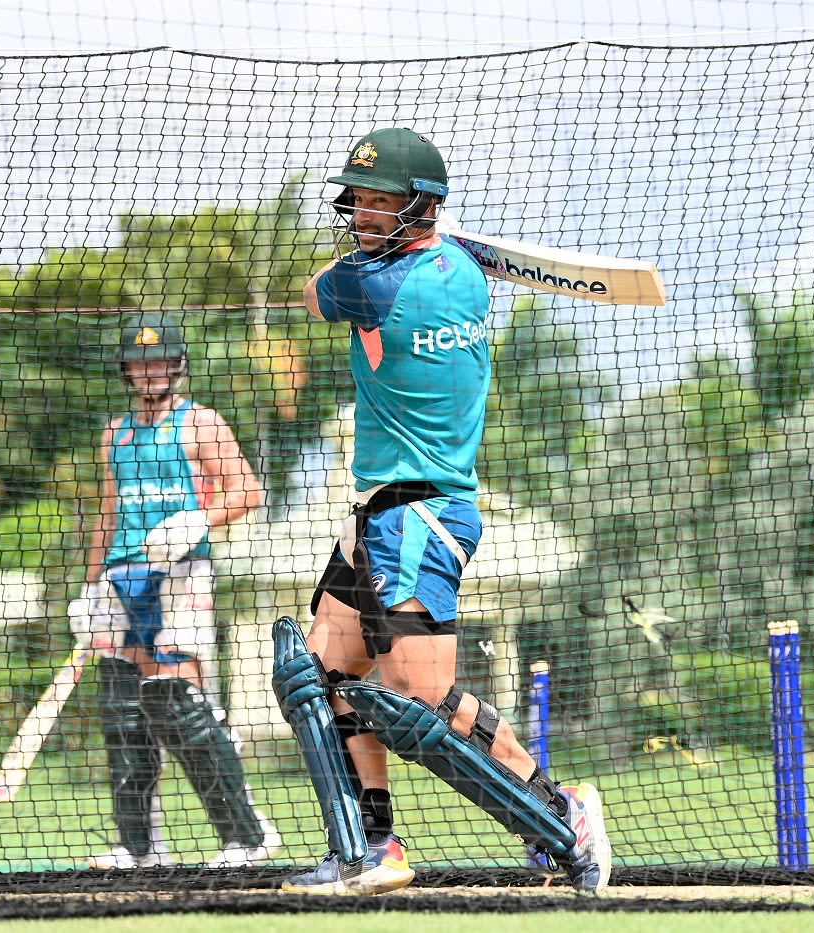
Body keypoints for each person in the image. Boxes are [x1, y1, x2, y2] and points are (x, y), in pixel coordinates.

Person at [274, 127, 611, 896]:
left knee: (420, 697)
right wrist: (419, 230)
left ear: (421, 205)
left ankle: (563, 809)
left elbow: (312, 292)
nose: (360, 214)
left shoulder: (375, 284)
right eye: (355, 199)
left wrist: (379, 247)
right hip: (379, 511)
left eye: (380, 201)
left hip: (420, 514)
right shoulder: (460, 269)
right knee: (322, 676)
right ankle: (373, 844)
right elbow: (415, 252)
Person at [70, 312, 281, 870]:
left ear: (178, 366)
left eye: (159, 361)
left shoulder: (200, 423)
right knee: (123, 715)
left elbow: (248, 491)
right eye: (139, 364)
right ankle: (141, 848)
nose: (149, 372)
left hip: (180, 575)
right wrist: (90, 590)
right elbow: (108, 513)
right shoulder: (114, 433)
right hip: (122, 579)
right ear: (126, 371)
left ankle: (248, 835)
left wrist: (197, 521)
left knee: (179, 705)